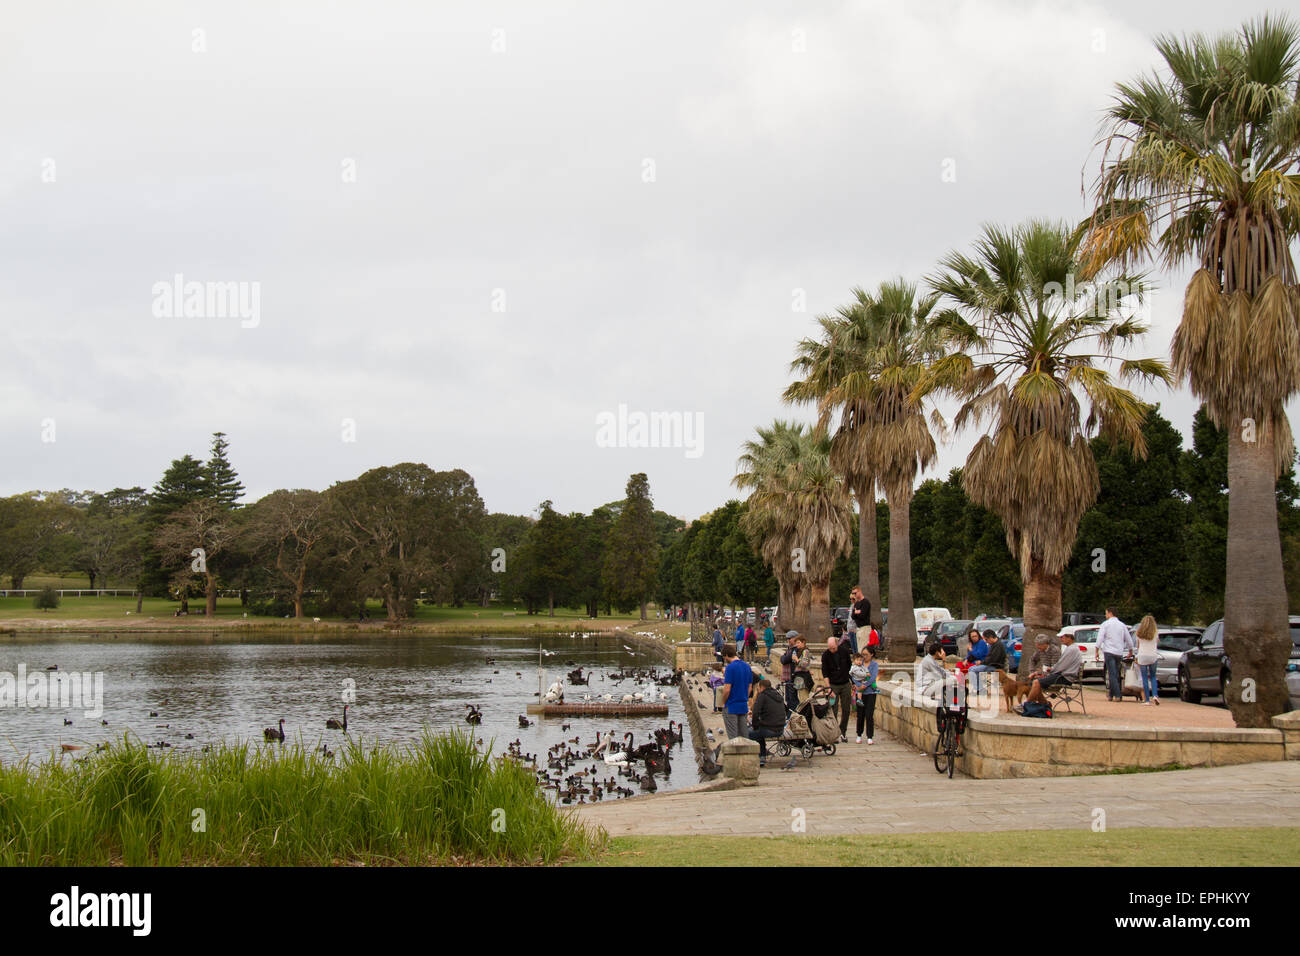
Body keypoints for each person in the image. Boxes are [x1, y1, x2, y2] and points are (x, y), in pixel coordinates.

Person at [1023, 632, 1081, 707]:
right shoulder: (1071, 648)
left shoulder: (1070, 650)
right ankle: (1043, 704)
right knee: (1033, 683)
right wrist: (1035, 672)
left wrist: (1042, 673)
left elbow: (1059, 667)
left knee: (1036, 682)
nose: (1060, 639)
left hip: (1064, 676)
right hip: (1061, 674)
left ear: (1069, 637)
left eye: (1062, 637)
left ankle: (1026, 705)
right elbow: (1058, 666)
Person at [1097, 606, 1136, 702]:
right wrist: (1131, 650)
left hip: (1109, 651)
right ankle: (1111, 694)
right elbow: (1128, 639)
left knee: (1112, 673)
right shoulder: (1122, 625)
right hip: (1119, 652)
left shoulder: (1105, 624)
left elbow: (1100, 638)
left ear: (1110, 613)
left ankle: (1118, 694)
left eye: (1106, 613)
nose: (1105, 615)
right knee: (1116, 673)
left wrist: (1096, 650)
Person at [821, 635, 854, 741]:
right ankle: (834, 732)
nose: (832, 650)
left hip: (845, 683)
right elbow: (825, 673)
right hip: (833, 684)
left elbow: (850, 667)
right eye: (830, 648)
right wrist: (828, 688)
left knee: (846, 709)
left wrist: (852, 682)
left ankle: (842, 731)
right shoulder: (825, 655)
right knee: (833, 709)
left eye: (833, 648)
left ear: (837, 644)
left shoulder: (844, 651)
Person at [749, 678, 786, 767]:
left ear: (761, 687)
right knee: (758, 731)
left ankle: (761, 755)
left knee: (750, 732)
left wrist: (755, 725)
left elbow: (755, 712)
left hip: (769, 729)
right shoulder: (778, 695)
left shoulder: (763, 696)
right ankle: (762, 754)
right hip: (780, 729)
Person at [720, 643, 753, 740]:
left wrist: (723, 702)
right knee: (744, 736)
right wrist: (744, 698)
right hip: (743, 705)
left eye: (724, 657)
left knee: (733, 737)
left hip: (731, 706)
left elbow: (727, 689)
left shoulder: (730, 668)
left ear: (726, 655)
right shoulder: (747, 666)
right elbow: (750, 687)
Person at [851, 647, 879, 744]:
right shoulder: (858, 664)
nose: (864, 657)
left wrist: (865, 685)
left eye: (866, 654)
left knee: (869, 715)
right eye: (863, 654)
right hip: (860, 693)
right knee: (860, 714)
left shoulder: (874, 665)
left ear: (871, 654)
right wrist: (859, 686)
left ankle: (870, 736)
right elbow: (853, 676)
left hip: (870, 692)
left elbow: (873, 677)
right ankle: (859, 734)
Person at [967, 628, 1006, 695]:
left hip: (995, 666)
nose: (986, 641)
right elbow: (989, 658)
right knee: (971, 668)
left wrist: (981, 662)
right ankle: (979, 688)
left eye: (986, 639)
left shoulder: (998, 645)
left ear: (990, 638)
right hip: (990, 664)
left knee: (973, 670)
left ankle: (980, 689)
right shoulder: (993, 645)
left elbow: (993, 659)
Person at [1135, 614, 1160, 706]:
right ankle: (1155, 695)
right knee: (1153, 676)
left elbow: (1138, 646)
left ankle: (1147, 700)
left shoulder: (1139, 633)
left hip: (1142, 656)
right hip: (1153, 655)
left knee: (1144, 678)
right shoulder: (1155, 632)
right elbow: (1157, 642)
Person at [849, 585, 872, 655]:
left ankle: (865, 664)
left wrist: (857, 613)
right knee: (859, 649)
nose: (854, 595)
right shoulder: (857, 603)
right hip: (858, 628)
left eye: (855, 593)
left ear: (860, 592)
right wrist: (857, 612)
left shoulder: (865, 602)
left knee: (863, 648)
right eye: (853, 593)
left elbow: (863, 615)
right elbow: (853, 616)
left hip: (865, 628)